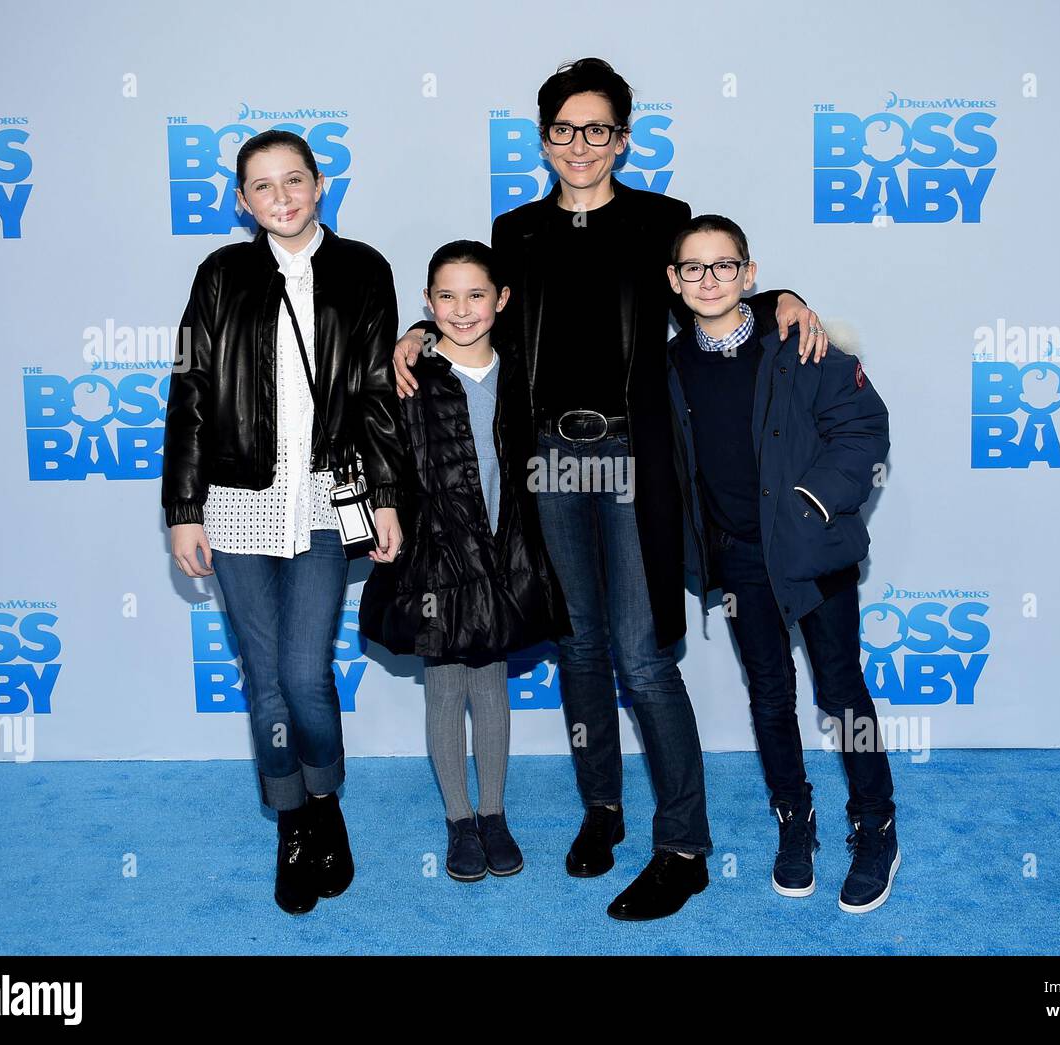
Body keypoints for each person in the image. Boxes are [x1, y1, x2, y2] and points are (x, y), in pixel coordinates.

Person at [394, 58, 830, 921]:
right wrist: (416, 329)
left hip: (635, 456)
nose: (580, 144)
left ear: (623, 139)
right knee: (580, 646)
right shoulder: (516, 229)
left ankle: (685, 846)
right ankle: (602, 809)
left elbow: (713, 286)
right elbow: (477, 309)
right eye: (564, 128)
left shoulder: (660, 220)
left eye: (598, 129)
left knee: (642, 652)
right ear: (544, 137)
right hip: (550, 456)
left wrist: (786, 295)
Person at [161, 129, 407, 915]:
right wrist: (183, 510)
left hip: (327, 498)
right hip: (235, 502)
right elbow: (190, 391)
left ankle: (326, 801)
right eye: (262, 186)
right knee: (265, 682)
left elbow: (377, 392)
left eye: (293, 180)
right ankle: (293, 823)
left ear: (319, 183)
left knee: (305, 675)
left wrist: (387, 494)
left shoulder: (363, 268)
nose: (281, 197)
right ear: (243, 201)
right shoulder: (221, 274)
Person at [665, 214, 900, 914]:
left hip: (810, 549)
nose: (710, 280)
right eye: (694, 268)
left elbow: (864, 427)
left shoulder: (804, 345)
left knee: (841, 690)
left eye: (724, 265)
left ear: (750, 274)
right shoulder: (669, 366)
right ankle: (794, 818)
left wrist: (812, 502)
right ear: (674, 281)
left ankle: (876, 822)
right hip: (738, 559)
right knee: (769, 694)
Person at [358, 241, 570, 882]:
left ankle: (494, 814)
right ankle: (459, 819)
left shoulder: (523, 370)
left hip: (507, 552)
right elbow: (382, 456)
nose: (461, 309)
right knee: (446, 687)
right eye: (445, 297)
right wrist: (384, 513)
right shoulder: (408, 375)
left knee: (492, 683)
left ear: (501, 300)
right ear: (427, 302)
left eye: (476, 295)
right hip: (435, 556)